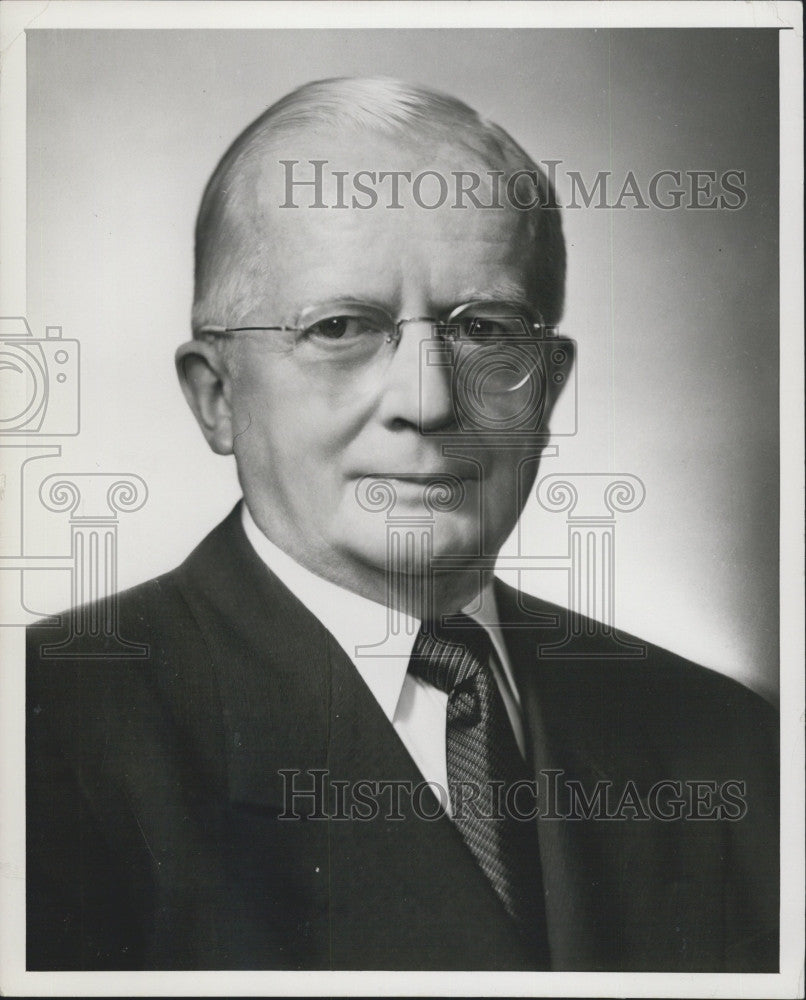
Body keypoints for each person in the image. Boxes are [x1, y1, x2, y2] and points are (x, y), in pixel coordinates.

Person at [26, 77, 778, 972]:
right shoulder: (43, 738)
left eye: (486, 328)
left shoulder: (727, 740)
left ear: (548, 386)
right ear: (217, 396)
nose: (426, 401)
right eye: (340, 326)